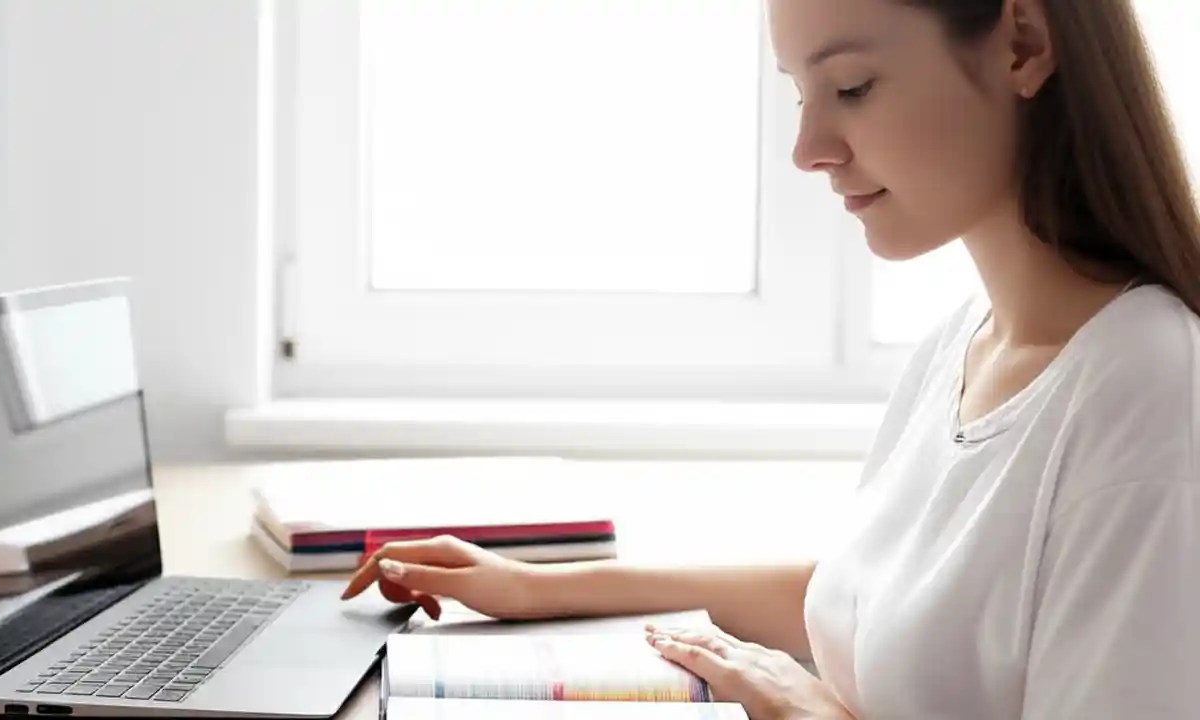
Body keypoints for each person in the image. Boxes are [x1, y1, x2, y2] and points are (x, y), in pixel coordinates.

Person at [342, 0, 1200, 717]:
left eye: (852, 87)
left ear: (1023, 43)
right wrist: (537, 587)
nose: (810, 147)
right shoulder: (967, 342)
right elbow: (865, 602)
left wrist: (812, 711)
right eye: (801, 94)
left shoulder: (1148, 389)